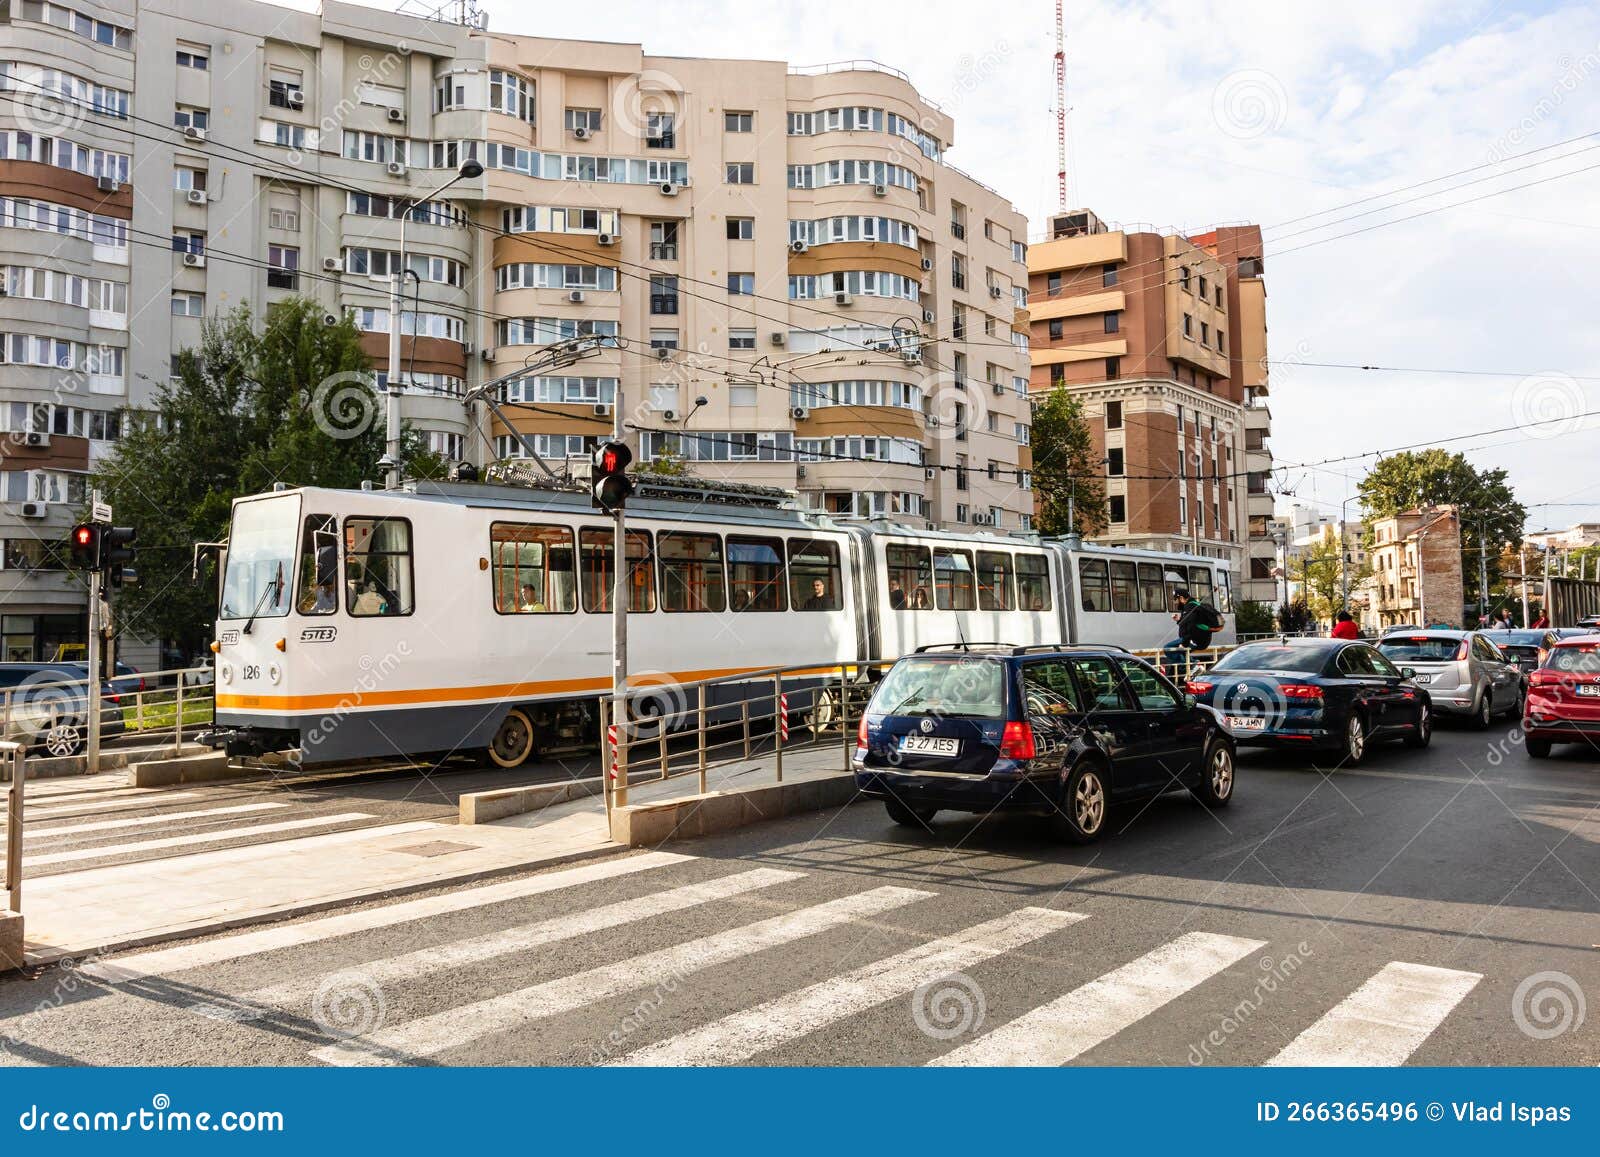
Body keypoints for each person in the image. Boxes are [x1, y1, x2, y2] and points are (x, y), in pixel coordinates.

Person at [1161, 588, 1223, 676]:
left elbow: (1191, 628)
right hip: (1200, 639)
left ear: (1181, 598)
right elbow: (1189, 623)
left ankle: (1194, 666)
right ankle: (1193, 666)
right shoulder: (1193, 605)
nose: (1175, 602)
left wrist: (1185, 643)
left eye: (1176, 599)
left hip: (1194, 639)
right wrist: (1179, 620)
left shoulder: (1189, 607)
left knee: (1168, 648)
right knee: (1180, 653)